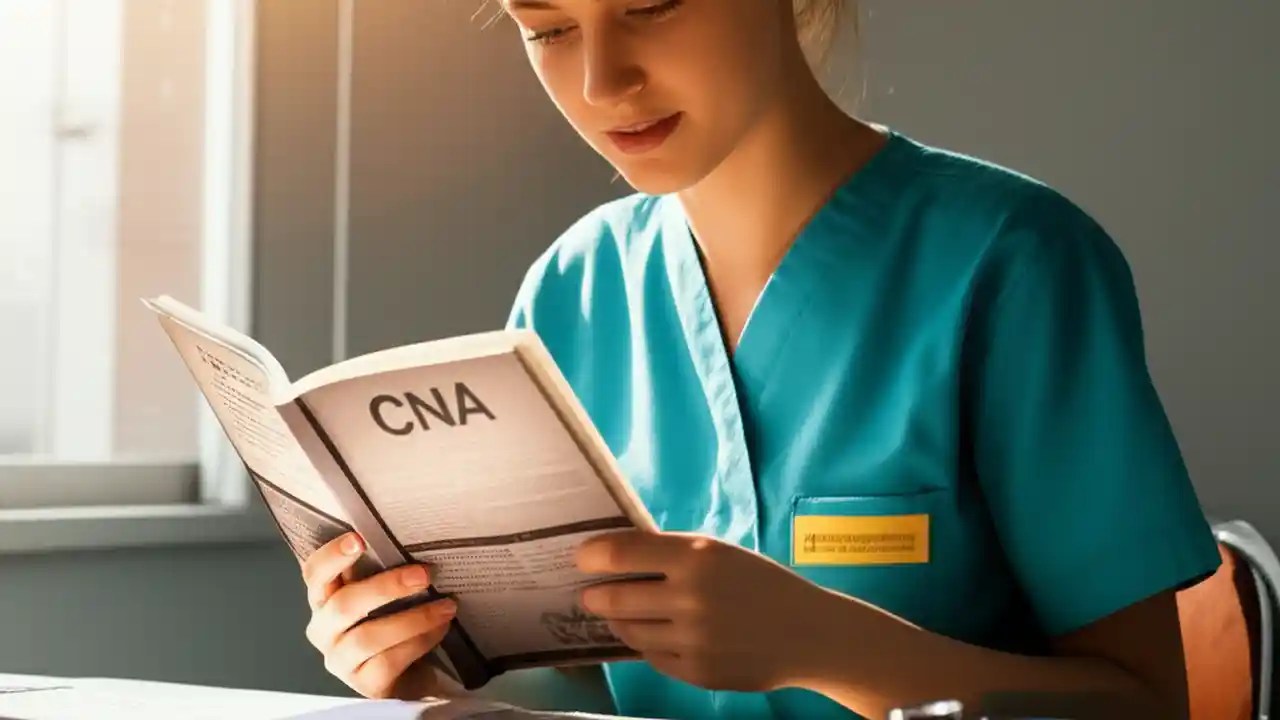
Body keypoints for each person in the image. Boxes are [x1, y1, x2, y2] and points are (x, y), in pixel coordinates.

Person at [299, 1, 1221, 718]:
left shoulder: (1013, 264)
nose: (601, 81)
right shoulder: (572, 293)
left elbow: (1145, 707)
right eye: (547, 29)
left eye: (652, 7)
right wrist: (422, 673)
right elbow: (579, 688)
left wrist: (831, 646)